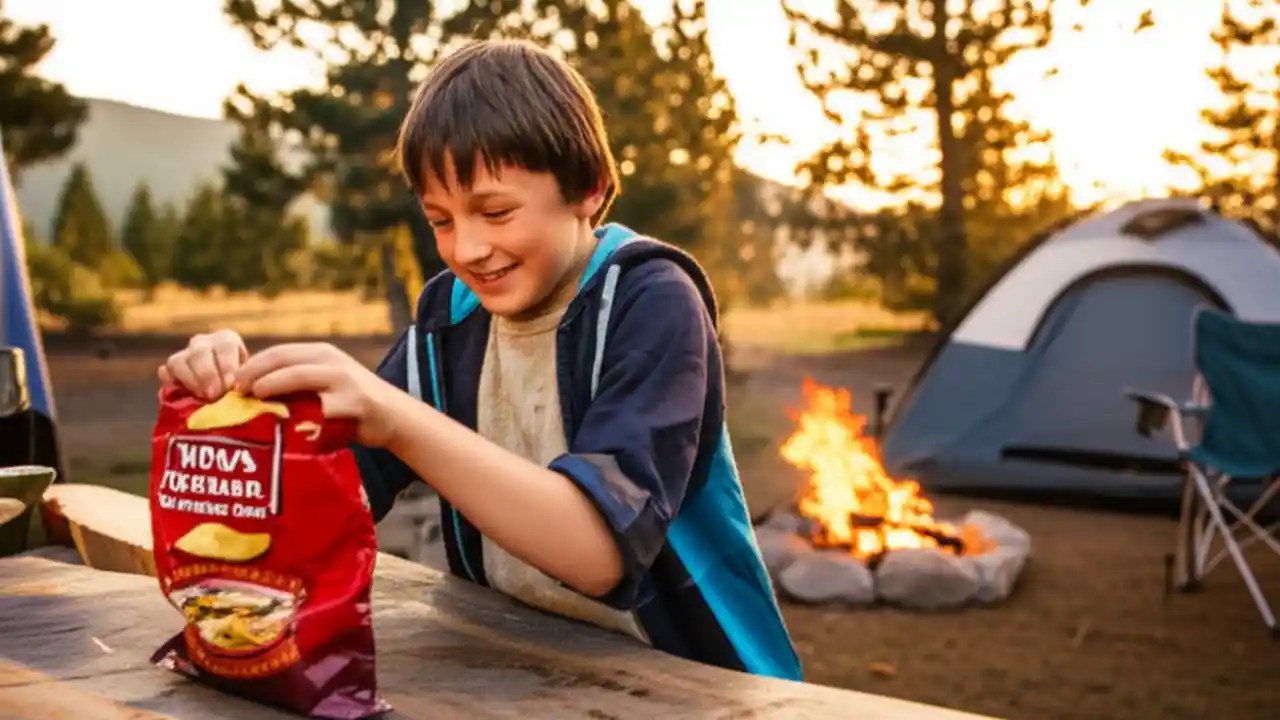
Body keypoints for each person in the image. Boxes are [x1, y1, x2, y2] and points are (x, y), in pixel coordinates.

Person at [158, 38, 802, 681]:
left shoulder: (650, 301)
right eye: (440, 220)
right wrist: (233, 410)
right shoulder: (453, 316)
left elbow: (600, 551)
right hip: (524, 660)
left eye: (495, 211)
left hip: (696, 679)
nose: (466, 248)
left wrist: (399, 418)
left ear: (588, 188)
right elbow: (336, 481)